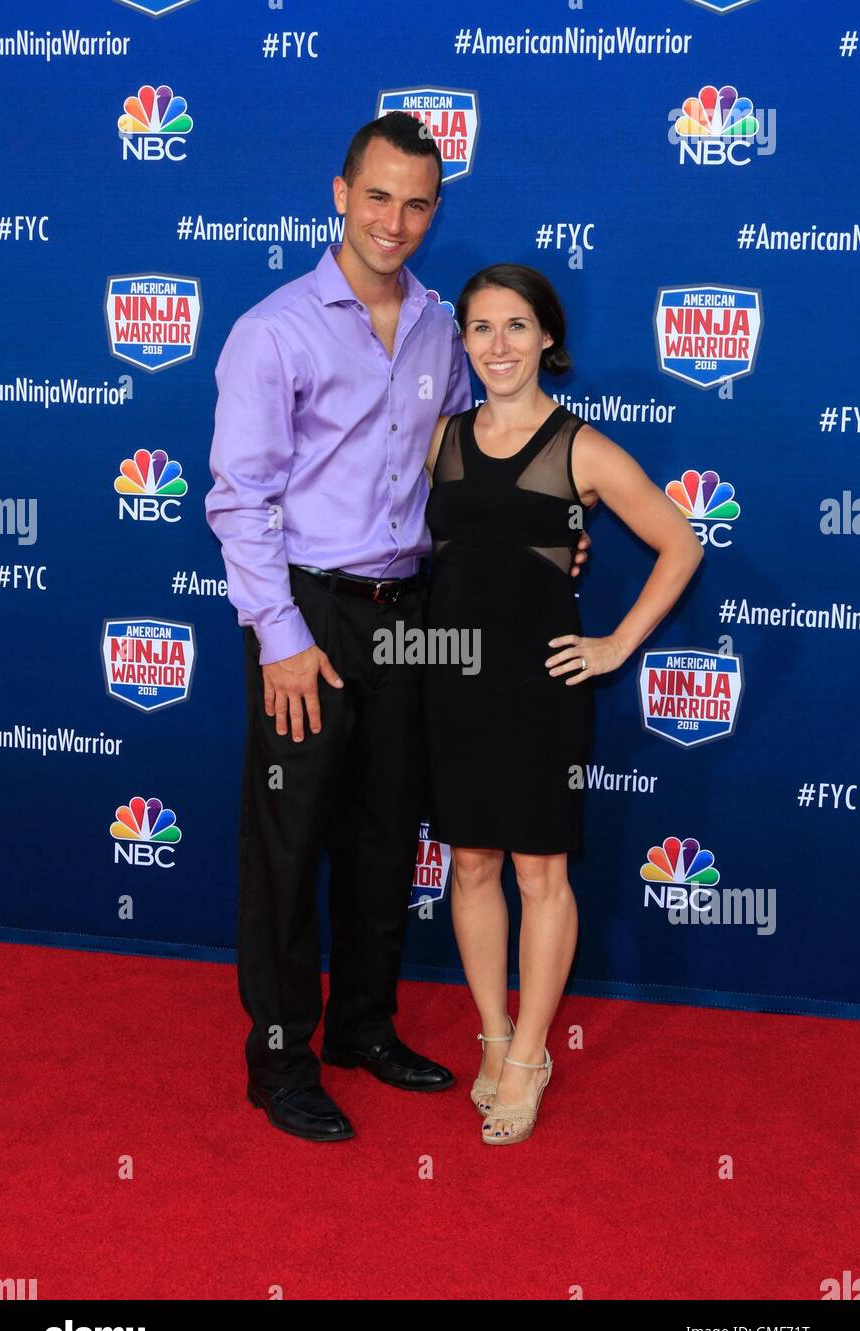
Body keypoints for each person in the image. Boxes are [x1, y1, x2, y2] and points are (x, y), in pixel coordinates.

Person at [205, 113, 592, 1143]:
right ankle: (281, 1055)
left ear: (435, 208)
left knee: (387, 836)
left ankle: (362, 1028)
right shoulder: (273, 329)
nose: (395, 219)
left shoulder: (438, 326)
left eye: (418, 201)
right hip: (309, 615)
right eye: (377, 195)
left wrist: (555, 540)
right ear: (340, 192)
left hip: (412, 618)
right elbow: (238, 501)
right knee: (288, 848)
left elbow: (473, 470)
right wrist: (281, 637)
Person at [423, 263, 703, 1146]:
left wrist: (619, 644)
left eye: (515, 327)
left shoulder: (581, 447)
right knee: (471, 863)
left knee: (540, 872)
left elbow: (679, 543)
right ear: (460, 340)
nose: (497, 345)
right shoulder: (438, 439)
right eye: (480, 329)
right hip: (452, 682)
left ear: (547, 336)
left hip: (543, 690)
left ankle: (532, 1055)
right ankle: (494, 1035)